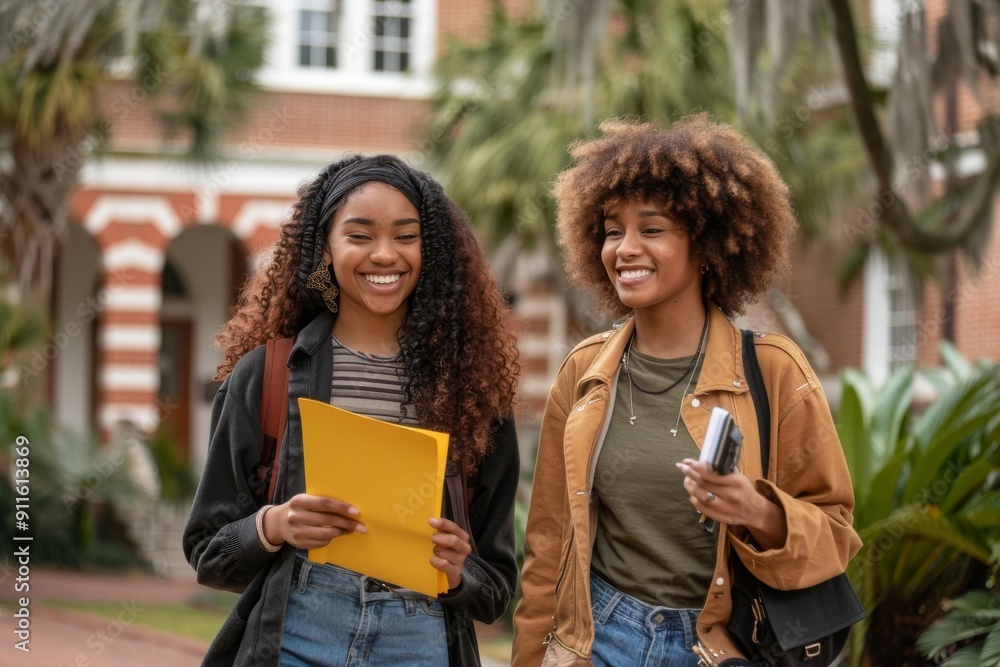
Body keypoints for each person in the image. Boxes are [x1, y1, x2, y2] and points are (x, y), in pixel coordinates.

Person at [511, 116, 862, 666]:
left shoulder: (773, 370)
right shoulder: (583, 371)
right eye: (611, 230)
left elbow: (835, 537)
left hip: (720, 644)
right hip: (600, 638)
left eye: (652, 229)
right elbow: (548, 544)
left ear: (706, 244)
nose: (624, 248)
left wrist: (757, 510)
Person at [183, 154, 521, 667]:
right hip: (298, 631)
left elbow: (494, 588)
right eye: (360, 236)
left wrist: (457, 572)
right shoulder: (266, 375)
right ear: (326, 248)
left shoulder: (471, 393)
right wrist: (272, 525)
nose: (384, 255)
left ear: (430, 251)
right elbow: (209, 552)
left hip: (420, 639)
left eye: (406, 236)